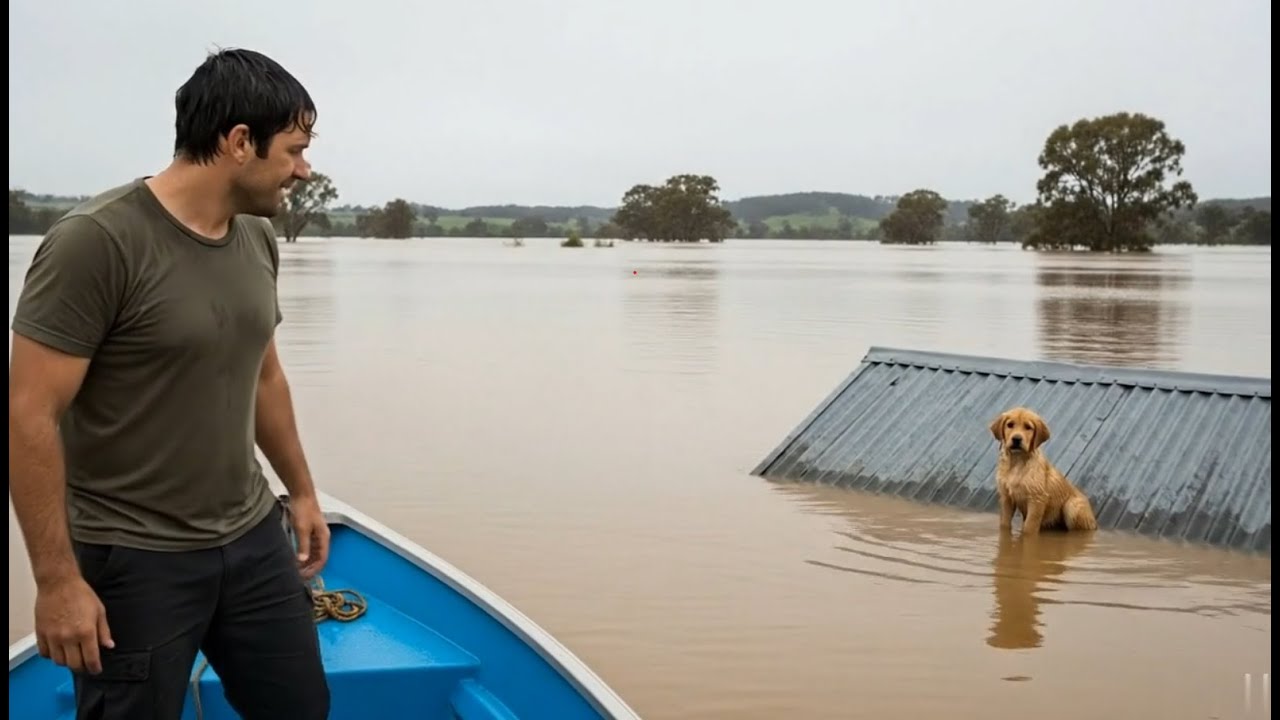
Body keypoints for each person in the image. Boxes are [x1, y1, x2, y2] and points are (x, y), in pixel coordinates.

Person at [8, 48, 331, 719]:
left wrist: (300, 491)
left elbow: (264, 375)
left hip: (251, 538)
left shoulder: (255, 237)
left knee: (301, 709)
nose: (304, 169)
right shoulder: (97, 242)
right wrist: (57, 581)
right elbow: (27, 414)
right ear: (240, 142)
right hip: (134, 557)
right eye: (295, 149)